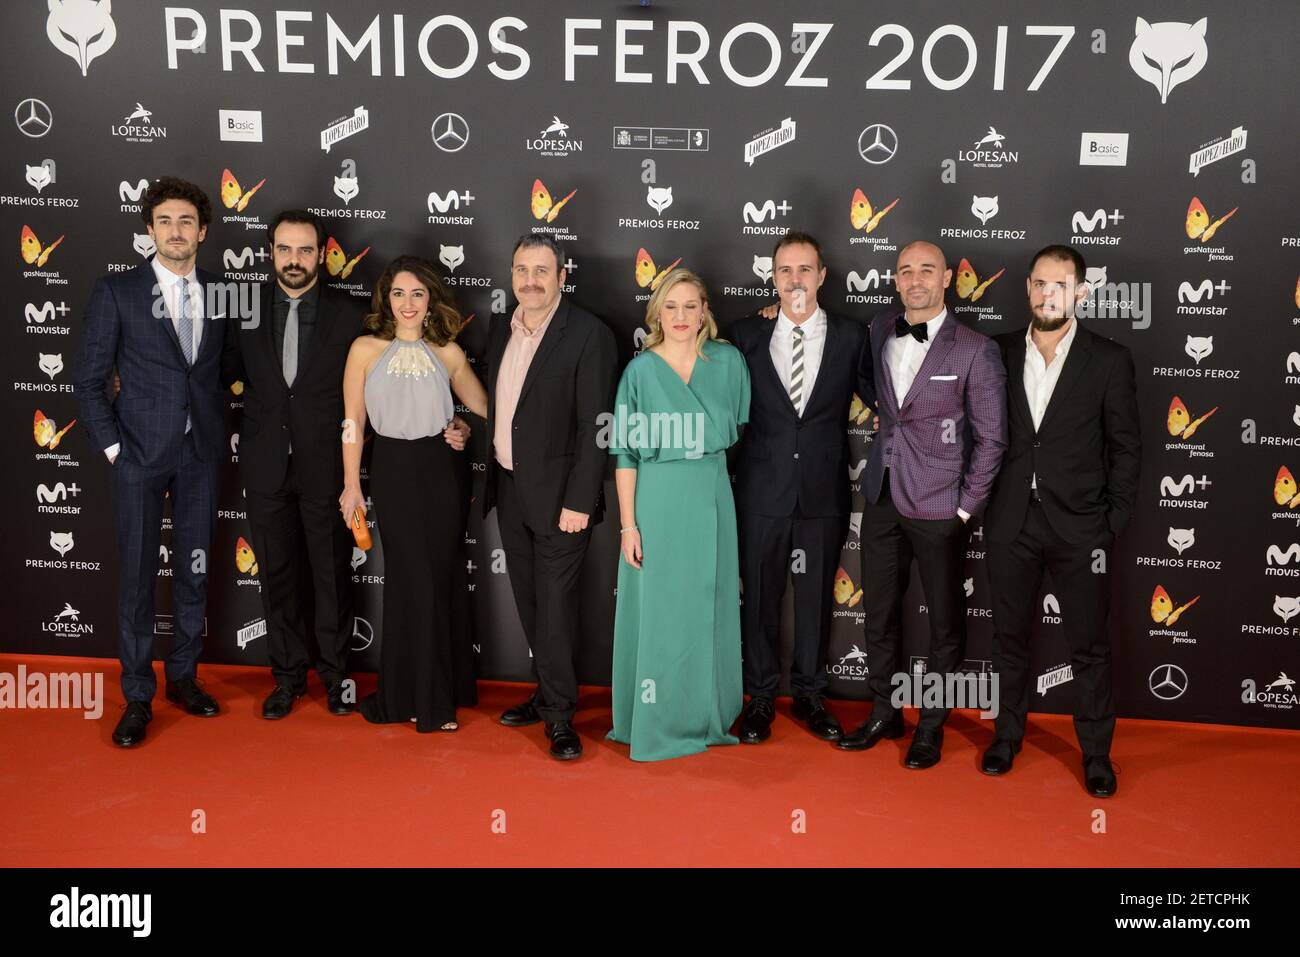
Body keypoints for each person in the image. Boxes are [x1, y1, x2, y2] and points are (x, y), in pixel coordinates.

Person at [222, 211, 472, 720]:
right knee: (276, 573)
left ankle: (336, 678)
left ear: (321, 253)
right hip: (266, 462)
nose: (295, 260)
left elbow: (370, 397)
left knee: (333, 574)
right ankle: (288, 679)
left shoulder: (348, 316)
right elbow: (222, 374)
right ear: (271, 252)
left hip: (326, 465)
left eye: (305, 250)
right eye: (285, 249)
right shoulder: (243, 311)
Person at [981, 245, 1140, 798]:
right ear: (1028, 288)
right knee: (1008, 641)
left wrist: (1111, 522)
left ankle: (1097, 754)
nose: (1049, 294)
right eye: (1040, 283)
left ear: (1080, 292)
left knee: (1090, 647)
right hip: (1010, 523)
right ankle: (1006, 738)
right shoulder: (994, 353)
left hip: (1081, 530)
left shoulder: (1109, 359)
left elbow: (1126, 447)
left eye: (1060, 285)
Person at [74, 177, 227, 747]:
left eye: (186, 221)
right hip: (137, 456)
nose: (176, 231)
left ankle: (183, 678)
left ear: (203, 231)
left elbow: (220, 371)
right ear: (149, 229)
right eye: (165, 221)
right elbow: (88, 382)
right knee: (138, 578)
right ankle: (137, 695)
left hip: (201, 454)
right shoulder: (116, 292)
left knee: (193, 571)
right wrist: (115, 449)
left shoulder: (221, 291)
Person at [843, 240, 1006, 768]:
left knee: (944, 625)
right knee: (879, 615)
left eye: (927, 270)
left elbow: (992, 439)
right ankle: (884, 711)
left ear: (947, 280)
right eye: (906, 270)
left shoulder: (975, 349)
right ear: (896, 279)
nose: (915, 279)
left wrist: (965, 509)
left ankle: (931, 726)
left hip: (941, 506)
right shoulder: (878, 329)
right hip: (883, 495)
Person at [730, 231, 874, 744]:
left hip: (822, 494)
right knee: (761, 598)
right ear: (773, 277)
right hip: (759, 493)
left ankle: (812, 694)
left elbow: (888, 399)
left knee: (815, 599)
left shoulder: (853, 337)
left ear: (822, 276)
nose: (795, 279)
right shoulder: (744, 336)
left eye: (805, 270)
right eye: (786, 270)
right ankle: (761, 697)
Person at [482, 234, 618, 760]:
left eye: (542, 270)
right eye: (522, 270)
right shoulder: (501, 327)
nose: (531, 280)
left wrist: (580, 501)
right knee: (531, 602)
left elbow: (595, 427)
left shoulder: (588, 334)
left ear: (562, 275)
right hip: (511, 488)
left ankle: (560, 718)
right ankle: (546, 695)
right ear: (512, 274)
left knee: (556, 610)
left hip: (564, 497)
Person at [608, 269, 750, 761]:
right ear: (657, 314)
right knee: (658, 610)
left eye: (691, 305)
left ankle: (706, 714)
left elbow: (739, 427)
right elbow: (624, 454)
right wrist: (629, 525)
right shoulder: (639, 373)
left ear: (705, 310)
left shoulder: (729, 362)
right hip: (656, 500)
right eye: (671, 306)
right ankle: (653, 715)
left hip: (710, 496)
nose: (682, 316)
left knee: (706, 605)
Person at [340, 256, 486, 732]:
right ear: (386, 298)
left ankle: (439, 696)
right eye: (399, 293)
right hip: (392, 470)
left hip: (442, 469)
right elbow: (353, 424)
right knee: (409, 579)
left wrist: (463, 424)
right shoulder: (364, 348)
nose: (407, 303)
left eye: (417, 294)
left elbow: (485, 409)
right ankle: (412, 695)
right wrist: (350, 487)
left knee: (439, 577)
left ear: (431, 301)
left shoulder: (448, 351)